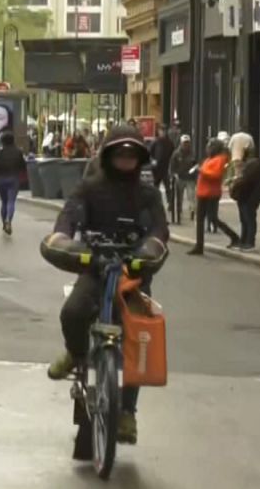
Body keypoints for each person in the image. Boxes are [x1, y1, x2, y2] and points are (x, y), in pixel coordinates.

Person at [41, 125, 169, 444]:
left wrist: (147, 252)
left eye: (131, 153)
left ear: (140, 158)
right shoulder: (89, 188)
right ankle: (75, 353)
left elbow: (159, 231)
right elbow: (67, 220)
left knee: (140, 337)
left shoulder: (149, 195)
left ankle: (127, 413)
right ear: (108, 155)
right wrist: (67, 243)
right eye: (120, 153)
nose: (125, 159)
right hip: (95, 268)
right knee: (73, 311)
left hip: (133, 276)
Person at [189, 139, 238, 255]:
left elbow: (216, 175)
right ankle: (199, 246)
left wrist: (201, 171)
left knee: (213, 218)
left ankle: (234, 236)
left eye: (210, 147)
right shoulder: (209, 159)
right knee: (200, 220)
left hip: (211, 193)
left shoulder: (220, 160)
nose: (207, 149)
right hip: (202, 193)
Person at [0, 131, 26, 235]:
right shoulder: (18, 152)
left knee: (4, 202)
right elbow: (23, 165)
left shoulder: (0, 153)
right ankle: (8, 220)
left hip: (1, 179)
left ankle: (3, 223)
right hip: (14, 178)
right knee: (11, 201)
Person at [231, 145, 260, 252]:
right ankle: (244, 240)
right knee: (245, 218)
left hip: (249, 195)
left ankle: (249, 242)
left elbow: (245, 180)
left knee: (248, 218)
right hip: (247, 195)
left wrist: (236, 184)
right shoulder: (252, 164)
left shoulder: (252, 164)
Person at [169, 134, 197, 223]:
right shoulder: (176, 153)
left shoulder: (192, 153)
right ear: (181, 143)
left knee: (191, 196)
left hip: (190, 178)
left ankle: (192, 211)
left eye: (188, 143)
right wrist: (173, 175)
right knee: (179, 196)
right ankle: (178, 211)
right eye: (184, 143)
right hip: (179, 178)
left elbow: (196, 164)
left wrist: (194, 171)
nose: (186, 145)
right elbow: (172, 166)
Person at [149, 129, 175, 198]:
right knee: (156, 186)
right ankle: (154, 200)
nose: (162, 133)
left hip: (166, 168)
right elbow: (150, 153)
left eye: (163, 131)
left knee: (167, 187)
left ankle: (170, 203)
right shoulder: (155, 142)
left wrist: (171, 165)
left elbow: (173, 154)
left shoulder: (169, 143)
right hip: (157, 168)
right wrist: (153, 160)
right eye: (161, 131)